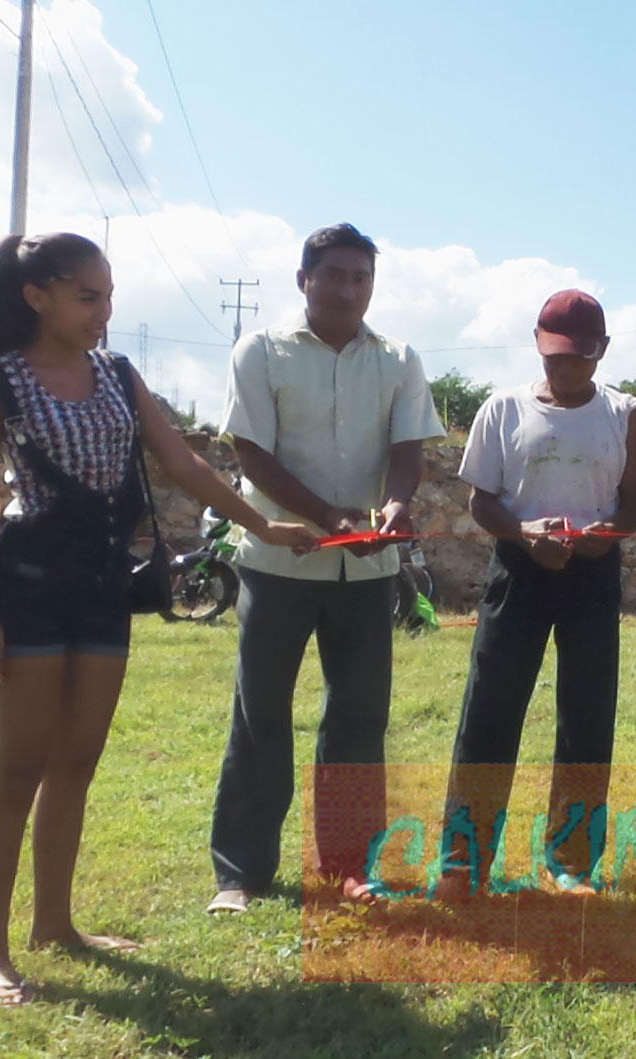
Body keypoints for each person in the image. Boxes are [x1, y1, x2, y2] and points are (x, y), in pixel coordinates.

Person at [0, 232, 317, 1006]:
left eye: (109, 295)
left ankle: (55, 924)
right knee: (17, 768)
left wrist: (263, 523)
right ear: (35, 294)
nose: (104, 311)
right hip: (27, 586)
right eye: (88, 296)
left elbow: (183, 464)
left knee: (76, 764)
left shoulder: (117, 372)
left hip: (104, 588)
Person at [208, 223, 444, 913]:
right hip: (279, 562)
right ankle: (240, 872)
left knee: (358, 719)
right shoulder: (262, 350)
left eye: (361, 277)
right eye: (335, 274)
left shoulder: (398, 358)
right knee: (260, 714)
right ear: (303, 278)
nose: (348, 289)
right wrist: (331, 515)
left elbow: (409, 451)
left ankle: (350, 864)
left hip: (367, 573)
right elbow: (252, 455)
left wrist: (394, 507)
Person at [435, 290, 636, 897]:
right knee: (489, 711)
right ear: (537, 342)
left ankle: (571, 862)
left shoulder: (626, 413)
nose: (567, 367)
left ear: (602, 351)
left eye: (580, 356)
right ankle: (462, 860)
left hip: (592, 573)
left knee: (586, 715)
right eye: (556, 355)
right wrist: (526, 535)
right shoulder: (501, 410)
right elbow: (481, 501)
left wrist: (603, 538)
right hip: (519, 570)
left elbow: (631, 504)